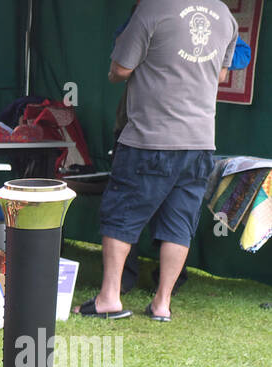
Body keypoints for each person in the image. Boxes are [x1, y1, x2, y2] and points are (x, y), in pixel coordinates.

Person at [80, 0, 237, 323]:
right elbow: (221, 73)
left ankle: (109, 297)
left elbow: (120, 70)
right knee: (179, 222)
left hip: (150, 138)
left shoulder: (153, 8)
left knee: (121, 213)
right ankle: (161, 303)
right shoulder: (224, 14)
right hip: (200, 141)